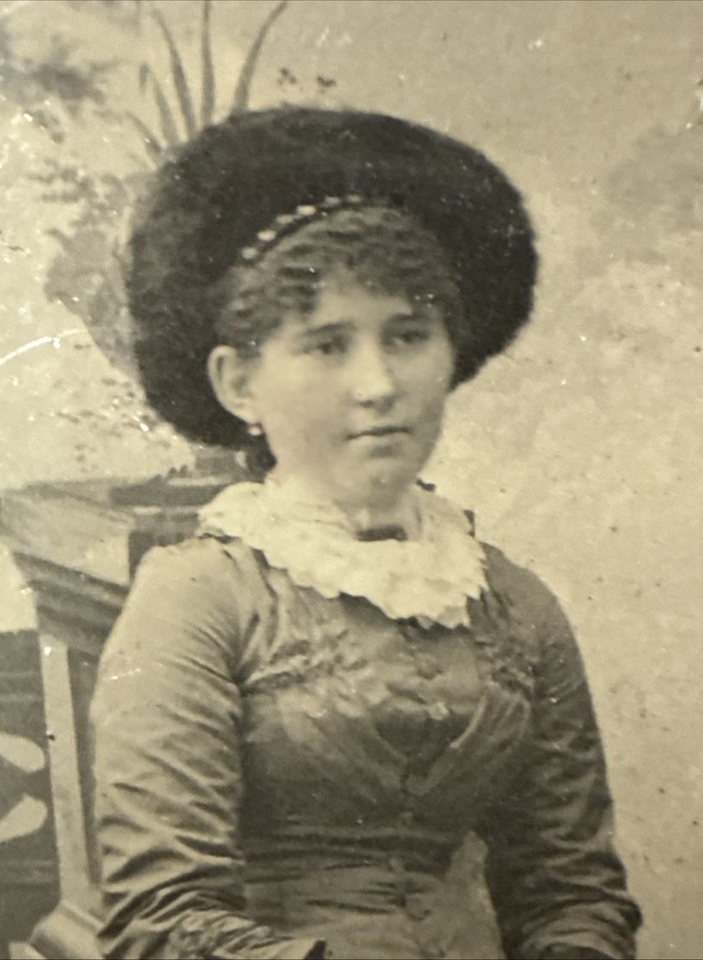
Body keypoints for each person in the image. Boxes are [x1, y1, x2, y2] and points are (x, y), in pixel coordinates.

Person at [91, 107, 642, 960]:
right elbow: (162, 919)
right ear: (239, 382)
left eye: (409, 336)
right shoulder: (199, 597)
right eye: (326, 346)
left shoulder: (517, 608)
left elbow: (572, 891)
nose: (380, 383)